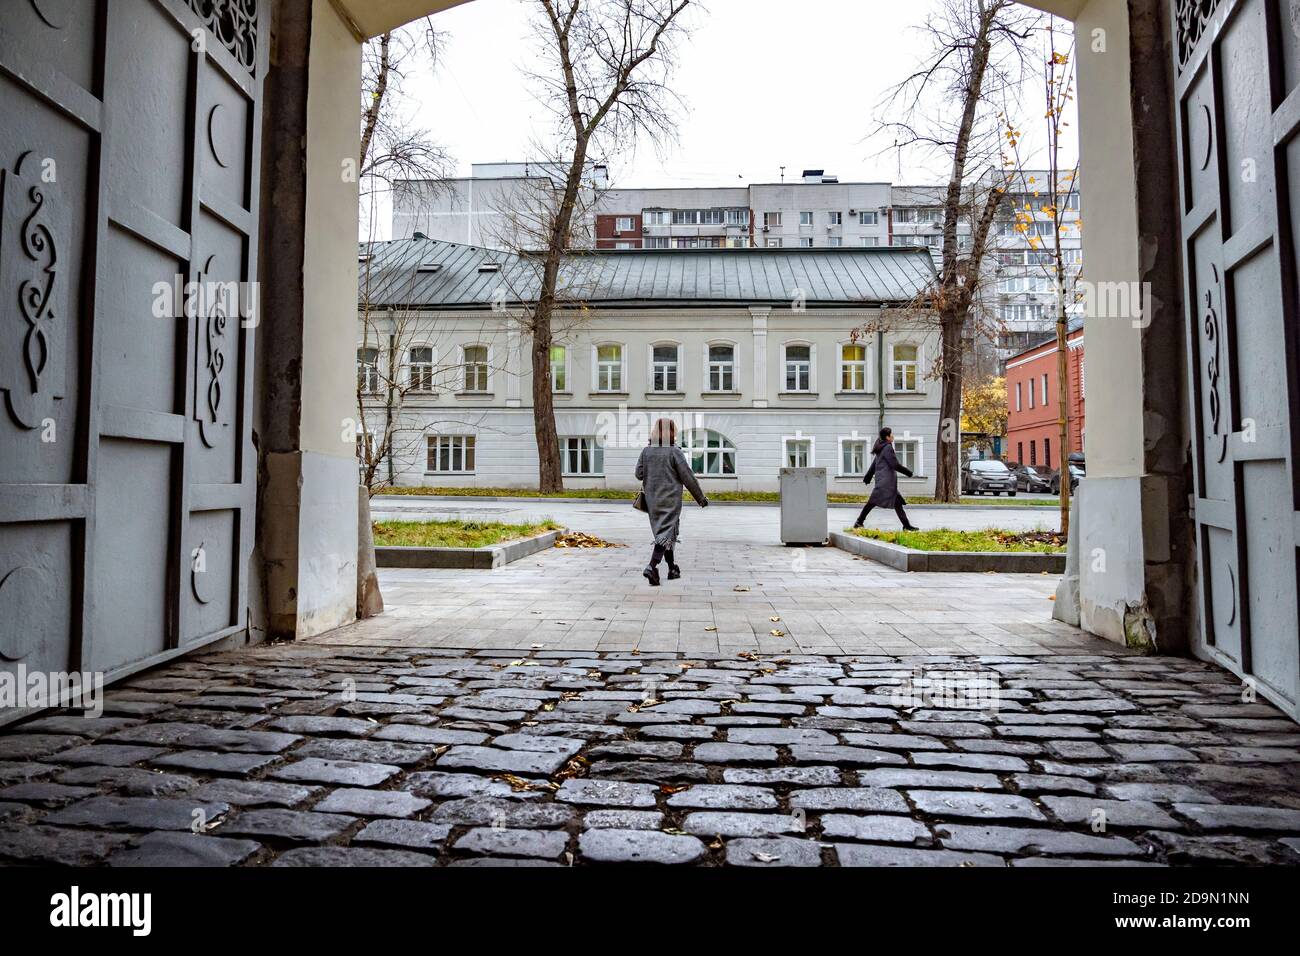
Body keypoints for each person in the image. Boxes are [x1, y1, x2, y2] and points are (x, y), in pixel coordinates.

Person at [634, 418, 708, 586]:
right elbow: (688, 478)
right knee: (666, 534)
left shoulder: (646, 451)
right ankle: (651, 566)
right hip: (671, 501)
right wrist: (701, 499)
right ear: (672, 432)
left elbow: (638, 474)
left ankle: (672, 568)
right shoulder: (675, 452)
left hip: (652, 501)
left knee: (667, 534)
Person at [853, 426, 919, 530]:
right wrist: (909, 473)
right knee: (871, 502)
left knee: (897, 503)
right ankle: (859, 521)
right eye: (891, 434)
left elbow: (875, 464)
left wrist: (868, 477)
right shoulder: (887, 447)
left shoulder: (881, 447)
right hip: (885, 482)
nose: (893, 436)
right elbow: (895, 465)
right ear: (887, 437)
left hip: (885, 482)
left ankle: (906, 525)